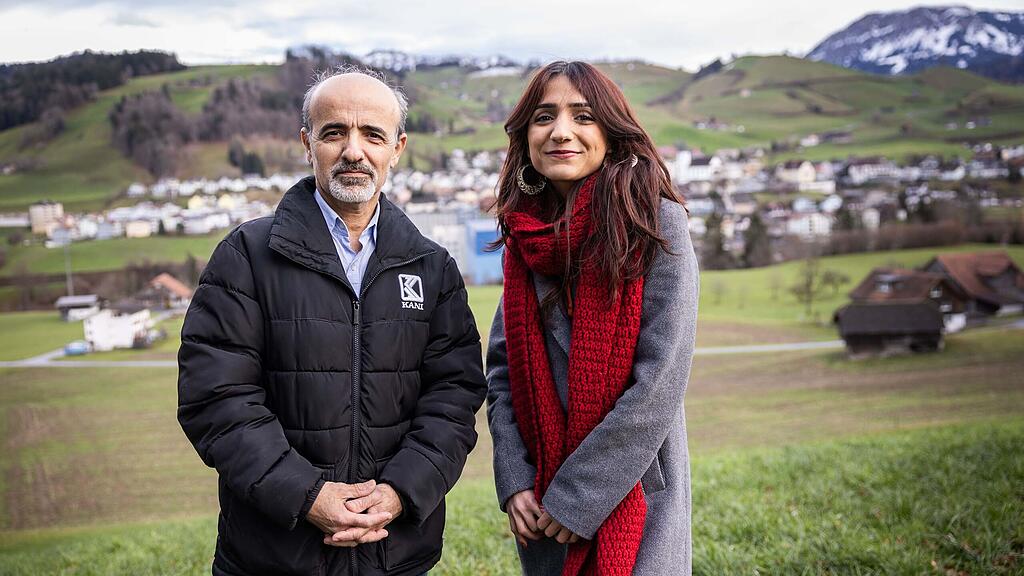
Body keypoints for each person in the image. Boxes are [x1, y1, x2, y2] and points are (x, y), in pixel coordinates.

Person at [177, 67, 487, 576]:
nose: (353, 151)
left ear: (398, 148)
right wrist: (306, 496)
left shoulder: (433, 268)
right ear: (307, 142)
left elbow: (454, 397)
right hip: (272, 555)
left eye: (372, 134)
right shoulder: (248, 256)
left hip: (396, 552)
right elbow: (216, 398)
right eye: (334, 132)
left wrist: (399, 492)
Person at [485, 61, 700, 576]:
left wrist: (580, 498)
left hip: (633, 492)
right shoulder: (525, 240)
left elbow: (659, 384)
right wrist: (515, 479)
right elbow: (501, 374)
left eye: (583, 116)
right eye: (544, 117)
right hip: (541, 497)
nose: (561, 131)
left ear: (611, 131)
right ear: (525, 137)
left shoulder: (655, 222)